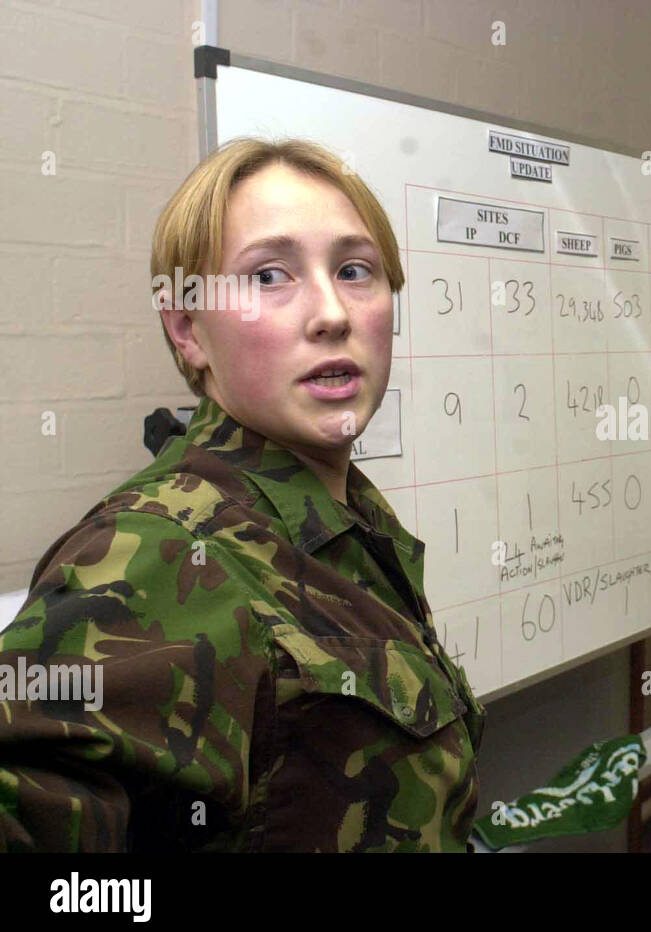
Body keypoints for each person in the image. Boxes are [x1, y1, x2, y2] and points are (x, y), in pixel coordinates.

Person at [0, 138, 484, 852]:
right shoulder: (157, 551)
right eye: (269, 277)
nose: (331, 313)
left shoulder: (350, 517)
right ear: (188, 329)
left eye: (355, 271)